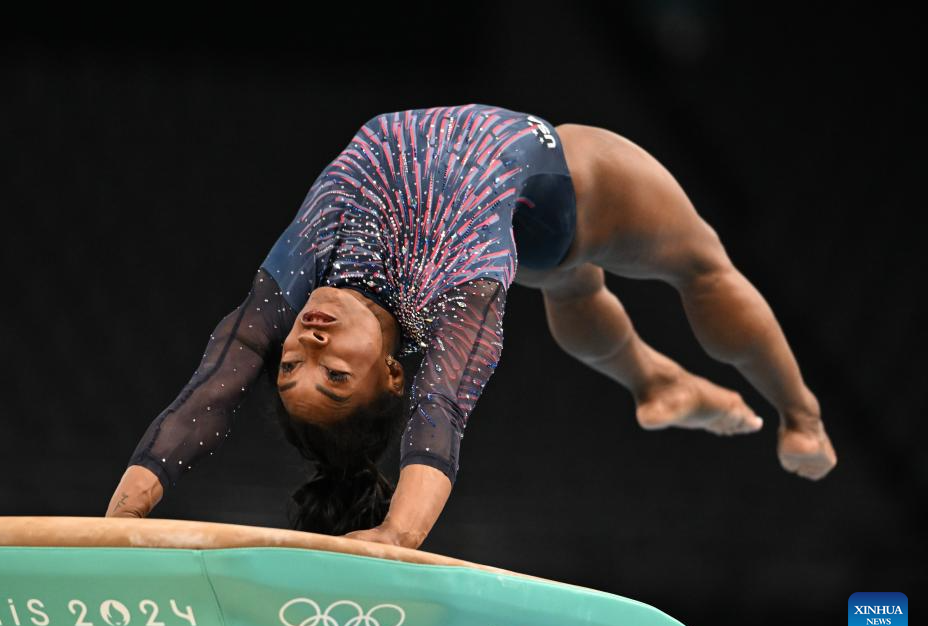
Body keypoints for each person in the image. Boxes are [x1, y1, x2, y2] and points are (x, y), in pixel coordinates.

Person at [105, 104, 837, 549]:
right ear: (392, 374)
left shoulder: (308, 266)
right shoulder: (454, 293)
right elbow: (441, 411)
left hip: (517, 219)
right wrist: (397, 535)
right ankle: (802, 418)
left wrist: (114, 525)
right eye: (335, 377)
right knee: (703, 268)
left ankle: (655, 383)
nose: (307, 346)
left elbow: (213, 385)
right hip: (577, 189)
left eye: (291, 368)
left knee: (572, 288)